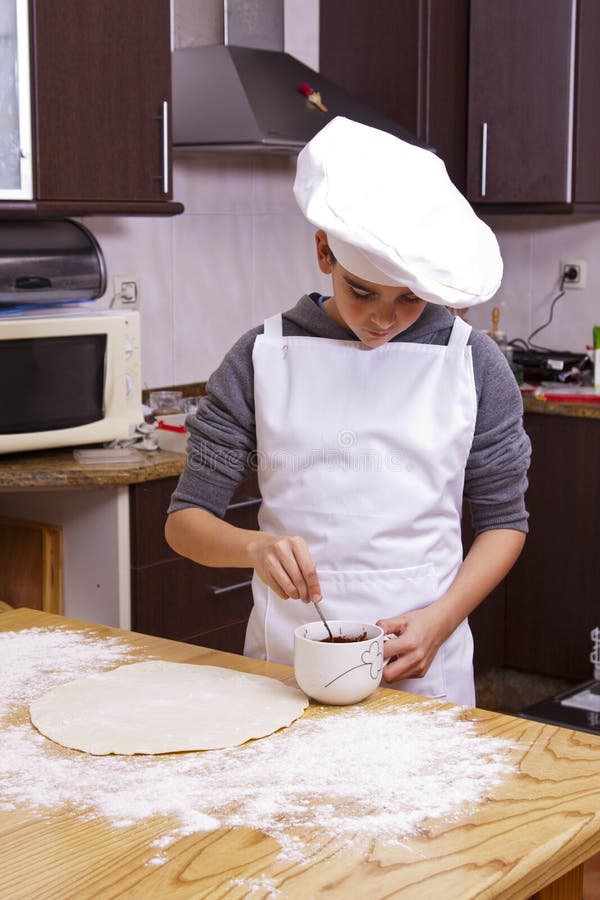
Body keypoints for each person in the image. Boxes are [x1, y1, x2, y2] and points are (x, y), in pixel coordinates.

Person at [165, 116, 530, 707]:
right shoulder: (261, 356)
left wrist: (440, 620)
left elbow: (504, 523)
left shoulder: (473, 363)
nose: (383, 318)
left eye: (409, 298)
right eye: (363, 291)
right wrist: (252, 548)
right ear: (323, 252)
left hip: (423, 665)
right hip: (284, 668)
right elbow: (185, 522)